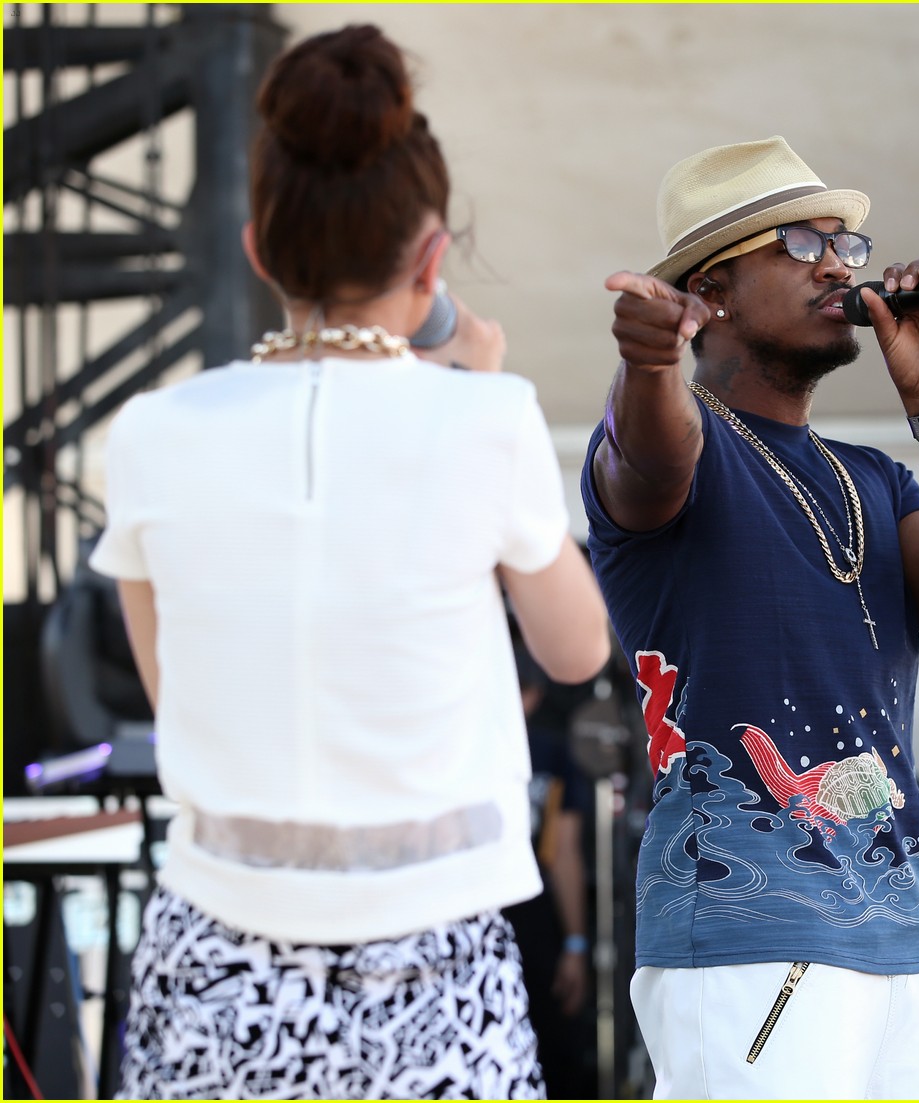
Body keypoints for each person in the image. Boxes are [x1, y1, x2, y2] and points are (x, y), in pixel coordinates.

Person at [88, 24, 609, 1100]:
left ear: (259, 250)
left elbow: (174, 693)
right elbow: (575, 647)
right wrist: (477, 383)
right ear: (432, 259)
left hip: (217, 963)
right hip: (435, 966)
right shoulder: (487, 419)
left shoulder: (151, 430)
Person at [579, 135, 919, 1099]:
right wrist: (650, 364)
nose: (838, 261)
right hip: (750, 942)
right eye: (798, 242)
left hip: (911, 942)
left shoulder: (870, 478)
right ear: (708, 292)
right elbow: (651, 457)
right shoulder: (673, 438)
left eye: (847, 244)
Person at [502, 638, 597, 1100]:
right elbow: (565, 854)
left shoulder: (458, 751)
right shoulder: (550, 751)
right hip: (533, 911)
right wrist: (575, 944)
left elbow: (565, 850)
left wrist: (575, 944)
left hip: (488, 909)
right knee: (548, 1045)